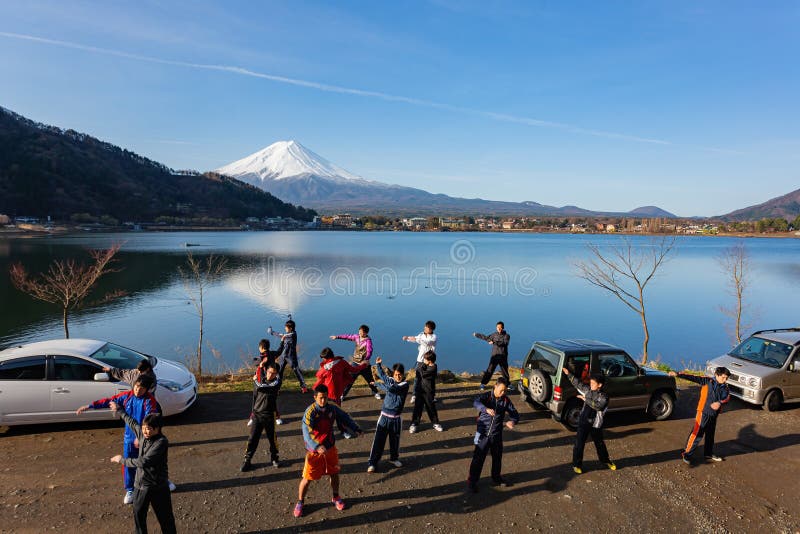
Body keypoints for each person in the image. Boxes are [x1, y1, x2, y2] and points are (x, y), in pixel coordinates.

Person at [77, 374, 158, 504]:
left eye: (142, 388)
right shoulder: (126, 396)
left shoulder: (149, 401)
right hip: (129, 439)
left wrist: (142, 437)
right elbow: (109, 401)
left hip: (145, 438)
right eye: (137, 386)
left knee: (149, 463)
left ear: (147, 389)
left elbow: (151, 420)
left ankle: (159, 482)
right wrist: (90, 406)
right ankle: (130, 490)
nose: (138, 390)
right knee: (128, 464)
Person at [294, 384, 362, 518]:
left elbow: (345, 417)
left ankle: (336, 497)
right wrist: (316, 446)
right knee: (307, 478)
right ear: (315, 397)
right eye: (320, 398)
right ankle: (300, 502)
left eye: (325, 398)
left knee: (334, 473)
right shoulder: (310, 412)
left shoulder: (332, 409)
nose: (323, 401)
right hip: (314, 452)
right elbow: (307, 432)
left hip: (330, 448)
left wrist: (356, 428)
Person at [111, 409, 176, 534]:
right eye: (144, 428)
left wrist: (121, 460)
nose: (146, 431)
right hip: (140, 486)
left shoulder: (161, 442)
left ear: (158, 429)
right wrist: (119, 410)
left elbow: (143, 462)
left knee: (166, 519)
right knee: (139, 518)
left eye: (150, 428)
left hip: (158, 487)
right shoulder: (142, 434)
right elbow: (131, 422)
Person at [669, 367, 731, 465]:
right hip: (703, 412)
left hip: (714, 415)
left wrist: (719, 403)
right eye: (723, 377)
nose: (725, 380)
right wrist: (678, 374)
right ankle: (687, 454)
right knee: (697, 433)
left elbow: (726, 398)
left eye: (726, 378)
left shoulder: (725, 387)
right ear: (717, 375)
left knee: (710, 435)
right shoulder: (707, 381)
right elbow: (693, 377)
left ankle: (708, 453)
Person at [467, 377, 519, 492]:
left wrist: (512, 421)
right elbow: (476, 402)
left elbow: (515, 414)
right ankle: (472, 482)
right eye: (501, 390)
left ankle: (496, 478)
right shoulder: (487, 397)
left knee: (497, 458)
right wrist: (485, 409)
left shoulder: (505, 400)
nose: (503, 393)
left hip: (496, 435)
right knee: (478, 459)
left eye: (505, 391)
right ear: (495, 386)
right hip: (483, 434)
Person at [562, 367, 616, 474]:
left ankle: (605, 460)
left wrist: (585, 399)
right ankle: (577, 464)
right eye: (590, 382)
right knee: (579, 443)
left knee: (599, 443)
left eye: (593, 383)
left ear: (600, 385)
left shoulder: (604, 396)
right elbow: (578, 384)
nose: (590, 384)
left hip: (595, 424)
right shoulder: (588, 390)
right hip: (583, 421)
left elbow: (598, 406)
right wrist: (568, 374)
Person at [367, 358, 409, 472]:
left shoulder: (404, 385)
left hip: (396, 419)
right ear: (393, 373)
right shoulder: (390, 380)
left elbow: (391, 388)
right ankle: (372, 463)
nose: (398, 377)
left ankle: (394, 458)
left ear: (403, 374)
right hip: (384, 417)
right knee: (378, 441)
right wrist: (378, 364)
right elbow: (382, 375)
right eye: (396, 374)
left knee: (395, 440)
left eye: (400, 375)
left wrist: (377, 384)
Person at [241, 362, 283, 472]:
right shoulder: (260, 378)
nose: (270, 375)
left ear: (277, 374)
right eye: (269, 372)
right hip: (257, 414)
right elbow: (255, 397)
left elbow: (260, 388)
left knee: (272, 439)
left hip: (269, 414)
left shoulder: (277, 382)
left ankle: (274, 458)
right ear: (266, 370)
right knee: (252, 438)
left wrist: (254, 380)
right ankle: (247, 460)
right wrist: (252, 414)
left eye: (273, 373)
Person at [331, 324, 380, 400]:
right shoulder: (356, 337)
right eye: (359, 331)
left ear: (366, 333)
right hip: (355, 363)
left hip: (364, 365)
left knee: (369, 379)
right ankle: (343, 394)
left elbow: (369, 351)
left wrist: (366, 359)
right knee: (349, 379)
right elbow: (347, 337)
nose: (360, 333)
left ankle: (375, 392)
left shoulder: (368, 341)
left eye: (362, 332)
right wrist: (337, 337)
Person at [402, 320, 437, 404]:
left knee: (430, 379)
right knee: (417, 378)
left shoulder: (434, 337)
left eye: (427, 327)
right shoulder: (421, 334)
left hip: (429, 361)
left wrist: (416, 339)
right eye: (425, 326)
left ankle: (431, 396)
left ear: (431, 329)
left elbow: (426, 342)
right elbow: (416, 339)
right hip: (420, 360)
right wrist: (408, 338)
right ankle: (414, 395)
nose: (425, 328)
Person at [409, 351, 443, 433]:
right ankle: (414, 424)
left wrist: (421, 367)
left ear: (430, 360)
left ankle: (435, 423)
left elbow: (422, 374)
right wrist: (421, 367)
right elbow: (418, 374)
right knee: (417, 408)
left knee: (431, 408)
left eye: (425, 359)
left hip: (429, 392)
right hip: (420, 391)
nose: (424, 360)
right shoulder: (424, 365)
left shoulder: (433, 368)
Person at [271, 319, 308, 393]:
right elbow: (283, 336)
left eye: (286, 327)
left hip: (291, 357)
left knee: (296, 370)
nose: (285, 328)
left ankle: (303, 386)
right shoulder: (288, 334)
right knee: (279, 371)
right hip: (283, 356)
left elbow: (282, 335)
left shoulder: (293, 334)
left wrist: (272, 332)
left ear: (290, 328)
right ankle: (277, 388)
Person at [473, 321, 511, 391]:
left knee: (505, 371)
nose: (499, 329)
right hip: (495, 356)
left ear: (503, 328)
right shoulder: (494, 335)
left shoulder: (507, 336)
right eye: (498, 327)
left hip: (503, 357)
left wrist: (494, 342)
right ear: (496, 328)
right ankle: (483, 384)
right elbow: (486, 338)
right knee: (489, 370)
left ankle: (508, 384)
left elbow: (505, 343)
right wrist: (477, 335)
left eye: (501, 327)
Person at [253, 339, 284, 425]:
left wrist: (259, 364)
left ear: (261, 347)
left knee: (256, 400)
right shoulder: (272, 354)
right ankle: (277, 417)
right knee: (271, 400)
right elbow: (280, 351)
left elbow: (255, 362)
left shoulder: (262, 357)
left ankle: (253, 417)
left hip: (262, 381)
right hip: (267, 380)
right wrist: (282, 342)